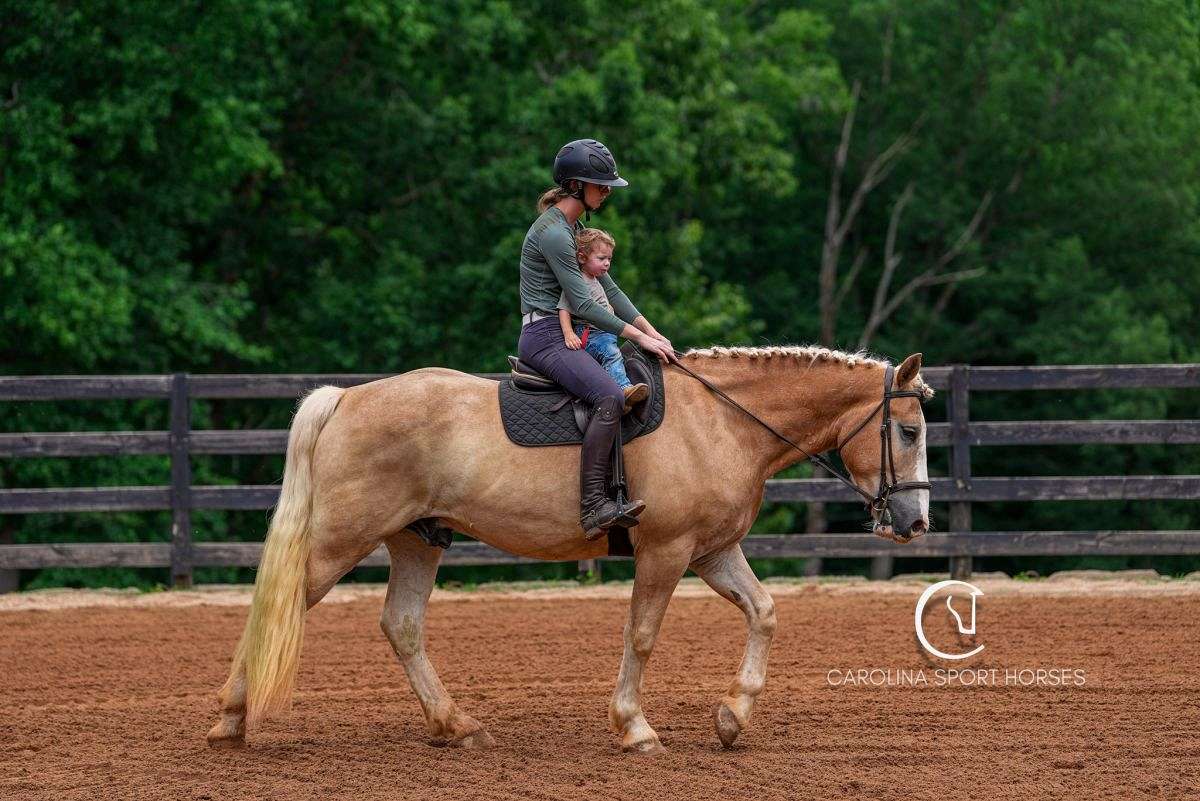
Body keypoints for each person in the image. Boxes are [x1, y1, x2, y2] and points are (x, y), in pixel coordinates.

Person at [517, 138, 676, 540]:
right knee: (610, 396)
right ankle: (593, 506)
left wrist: (653, 333)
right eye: (600, 186)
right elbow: (585, 304)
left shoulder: (575, 230)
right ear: (575, 186)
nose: (606, 192)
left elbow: (611, 292)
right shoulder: (554, 234)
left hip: (573, 333)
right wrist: (637, 336)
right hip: (546, 336)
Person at [556, 227, 650, 414]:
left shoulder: (595, 279)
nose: (607, 263)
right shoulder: (577, 282)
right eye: (601, 258)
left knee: (616, 357)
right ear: (582, 258)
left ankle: (619, 398)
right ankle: (624, 389)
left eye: (609, 259)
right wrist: (568, 333)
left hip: (605, 334)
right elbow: (563, 309)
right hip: (592, 335)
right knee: (611, 355)